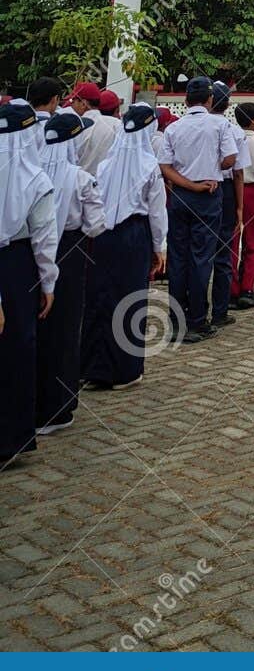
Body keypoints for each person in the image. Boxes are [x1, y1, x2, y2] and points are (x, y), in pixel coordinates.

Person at [80, 102, 168, 390]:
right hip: (133, 236)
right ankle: (125, 371)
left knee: (99, 297)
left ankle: (95, 368)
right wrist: (159, 246)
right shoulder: (149, 166)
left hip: (104, 235)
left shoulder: (105, 165)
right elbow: (156, 211)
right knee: (130, 301)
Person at [36, 110, 105, 433]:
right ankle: (58, 408)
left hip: (33, 254)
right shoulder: (80, 178)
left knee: (36, 328)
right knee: (65, 329)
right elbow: (95, 226)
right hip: (71, 251)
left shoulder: (32, 172)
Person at [0, 101, 57, 467]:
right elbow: (44, 238)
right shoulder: (35, 178)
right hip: (17, 266)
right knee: (16, 350)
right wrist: (49, 283)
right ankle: (10, 438)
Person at [159, 77, 237, 342]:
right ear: (210, 99)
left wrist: (188, 185)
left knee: (178, 259)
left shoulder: (173, 128)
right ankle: (196, 320)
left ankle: (176, 318)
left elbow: (165, 167)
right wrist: (209, 171)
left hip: (180, 197)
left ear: (185, 100)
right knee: (202, 258)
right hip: (208, 195)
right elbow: (230, 159)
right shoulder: (219, 124)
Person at [208, 83, 242, 331]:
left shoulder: (178, 128)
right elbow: (237, 171)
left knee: (194, 253)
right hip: (225, 189)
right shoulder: (233, 131)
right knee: (223, 252)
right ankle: (219, 310)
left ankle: (191, 311)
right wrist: (240, 207)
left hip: (190, 189)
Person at [231, 103, 254, 309]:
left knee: (231, 242)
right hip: (252, 191)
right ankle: (247, 288)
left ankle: (231, 288)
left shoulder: (231, 137)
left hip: (232, 190)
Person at [71, 81, 119, 176]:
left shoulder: (74, 127)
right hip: (106, 185)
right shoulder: (116, 125)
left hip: (78, 185)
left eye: (73, 101)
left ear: (83, 104)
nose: (72, 105)